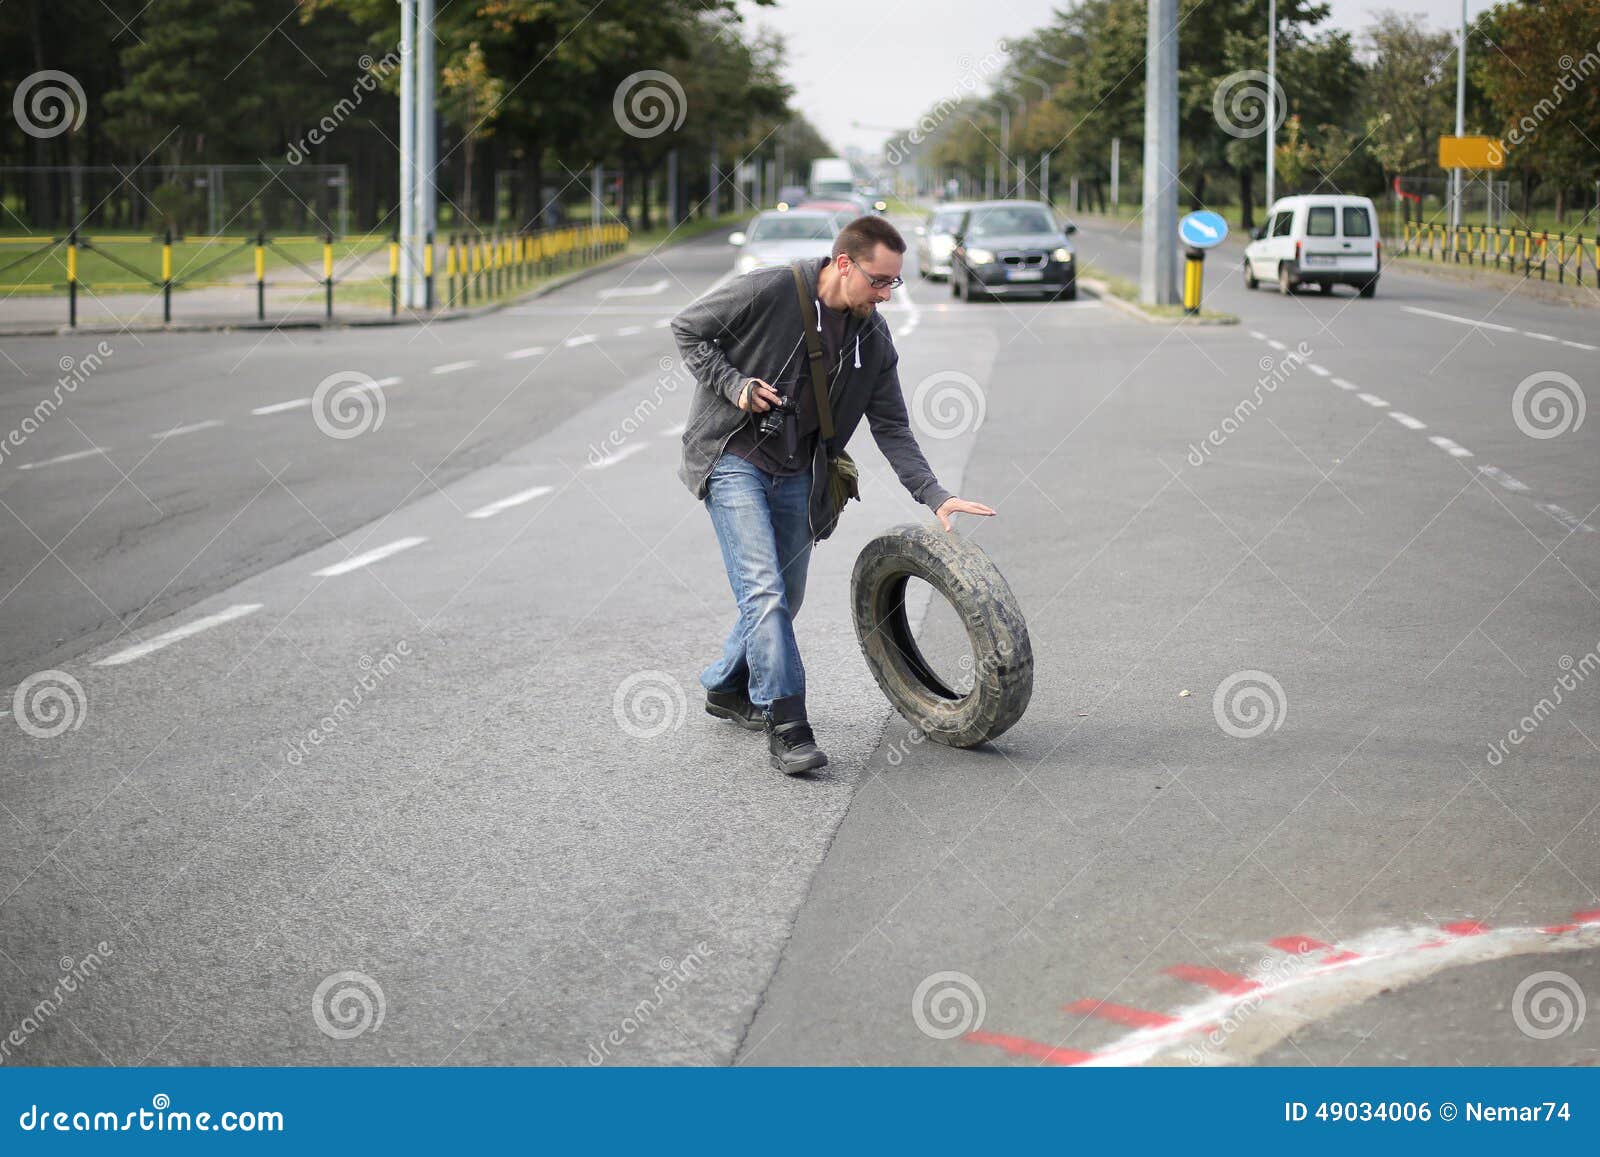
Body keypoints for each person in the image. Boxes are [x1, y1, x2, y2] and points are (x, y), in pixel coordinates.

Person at [671, 215, 996, 776]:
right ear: (843, 264)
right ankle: (789, 725)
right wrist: (736, 385)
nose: (887, 295)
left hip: (801, 471)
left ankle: (726, 685)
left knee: (784, 598)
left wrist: (935, 495)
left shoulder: (872, 337)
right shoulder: (771, 289)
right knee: (764, 592)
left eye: (895, 283)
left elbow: (891, 427)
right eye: (879, 281)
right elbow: (687, 328)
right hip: (733, 459)